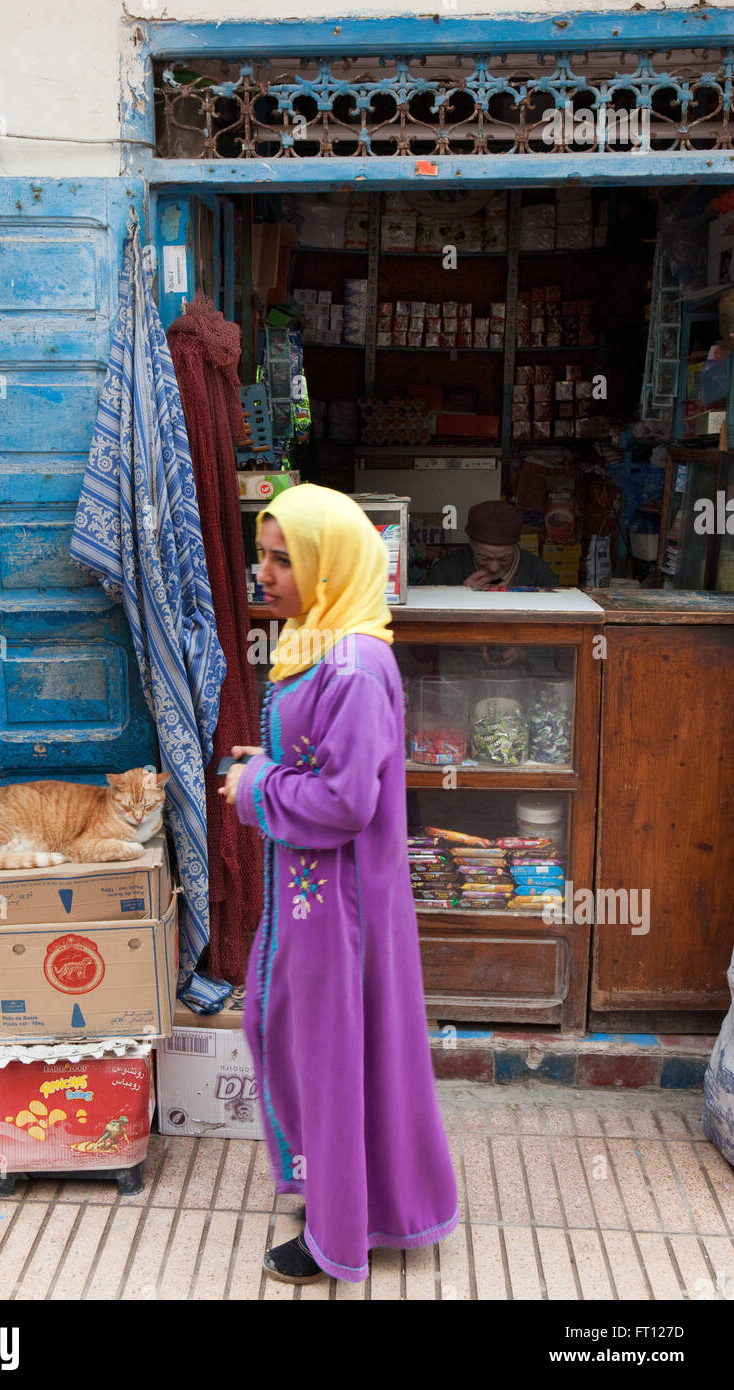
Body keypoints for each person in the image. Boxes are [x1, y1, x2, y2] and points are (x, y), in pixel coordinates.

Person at [218, 483, 459, 1285]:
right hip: (316, 901)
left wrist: (256, 790)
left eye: (287, 559)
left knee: (326, 1056)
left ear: (332, 563)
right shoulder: (317, 641)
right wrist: (271, 770)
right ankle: (352, 1199)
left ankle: (337, 1234)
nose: (267, 572)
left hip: (340, 908)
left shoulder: (352, 666)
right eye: (264, 553)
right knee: (305, 1039)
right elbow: (321, 768)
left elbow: (346, 801)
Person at [425, 498, 558, 588]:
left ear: (516, 545)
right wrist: (460, 596)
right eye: (484, 558)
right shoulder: (444, 571)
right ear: (471, 542)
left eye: (504, 558)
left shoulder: (539, 574)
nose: (494, 568)